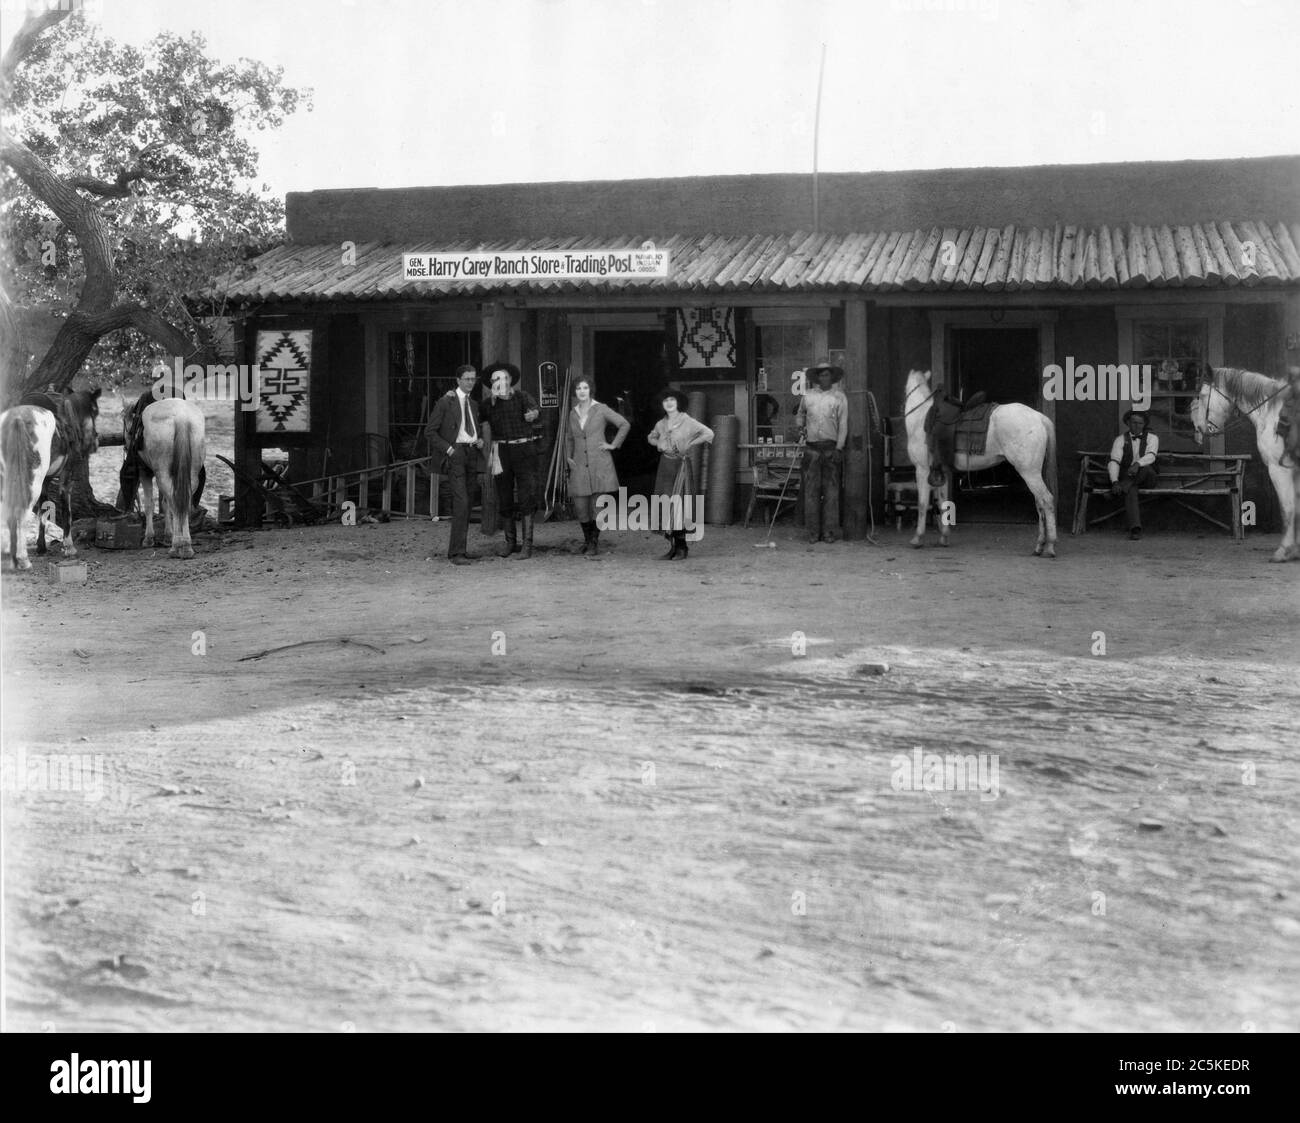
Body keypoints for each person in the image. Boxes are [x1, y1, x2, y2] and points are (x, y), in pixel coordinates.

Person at [480, 361, 541, 559]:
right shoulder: (487, 405)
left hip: (523, 450)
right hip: (500, 452)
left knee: (526, 496)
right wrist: (487, 453)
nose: (502, 381)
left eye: (505, 378)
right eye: (497, 378)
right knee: (504, 497)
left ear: (511, 380)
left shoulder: (523, 397)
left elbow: (534, 412)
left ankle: (527, 545)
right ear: (491, 382)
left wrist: (533, 414)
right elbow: (483, 428)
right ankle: (510, 543)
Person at [425, 364, 485, 565]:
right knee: (462, 502)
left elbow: (473, 429)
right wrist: (449, 449)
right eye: (467, 379)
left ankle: (462, 549)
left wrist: (480, 440)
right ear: (458, 380)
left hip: (471, 454)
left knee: (467, 503)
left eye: (473, 379)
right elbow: (430, 432)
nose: (470, 382)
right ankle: (456, 553)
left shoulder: (474, 405)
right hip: (455, 454)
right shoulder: (445, 402)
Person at [564, 377, 630, 557]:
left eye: (585, 388)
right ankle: (587, 540)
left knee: (597, 505)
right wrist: (568, 457)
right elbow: (569, 437)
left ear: (590, 390)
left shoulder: (601, 409)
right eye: (578, 388)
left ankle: (593, 543)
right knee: (580, 506)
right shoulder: (572, 412)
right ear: (575, 392)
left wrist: (613, 444)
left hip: (599, 463)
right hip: (578, 464)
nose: (582, 391)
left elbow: (624, 424)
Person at [647, 389, 713, 560]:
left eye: (672, 400)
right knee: (666, 504)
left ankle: (682, 547)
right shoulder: (661, 424)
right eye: (665, 401)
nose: (669, 403)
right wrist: (658, 443)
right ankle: (672, 547)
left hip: (681, 465)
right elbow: (651, 437)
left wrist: (690, 443)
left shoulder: (687, 421)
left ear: (678, 402)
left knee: (680, 504)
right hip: (665, 466)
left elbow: (709, 433)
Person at [796, 359, 849, 543]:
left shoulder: (840, 397)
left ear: (832, 377)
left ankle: (829, 532)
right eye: (820, 375)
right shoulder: (808, 396)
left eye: (827, 374)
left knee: (832, 493)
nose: (824, 377)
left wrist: (839, 447)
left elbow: (843, 425)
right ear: (817, 378)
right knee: (811, 492)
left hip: (830, 449)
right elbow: (800, 414)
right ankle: (813, 532)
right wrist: (800, 427)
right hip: (811, 450)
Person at [1108, 407, 1159, 540]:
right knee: (1131, 490)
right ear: (1128, 423)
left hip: (1148, 478)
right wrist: (1114, 481)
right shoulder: (1120, 440)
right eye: (1133, 423)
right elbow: (1114, 461)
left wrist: (1137, 464)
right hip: (1131, 479)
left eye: (1140, 423)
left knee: (1146, 468)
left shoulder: (1152, 438)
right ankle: (1135, 529)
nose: (1136, 426)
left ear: (1144, 424)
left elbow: (1151, 456)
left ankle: (1119, 490)